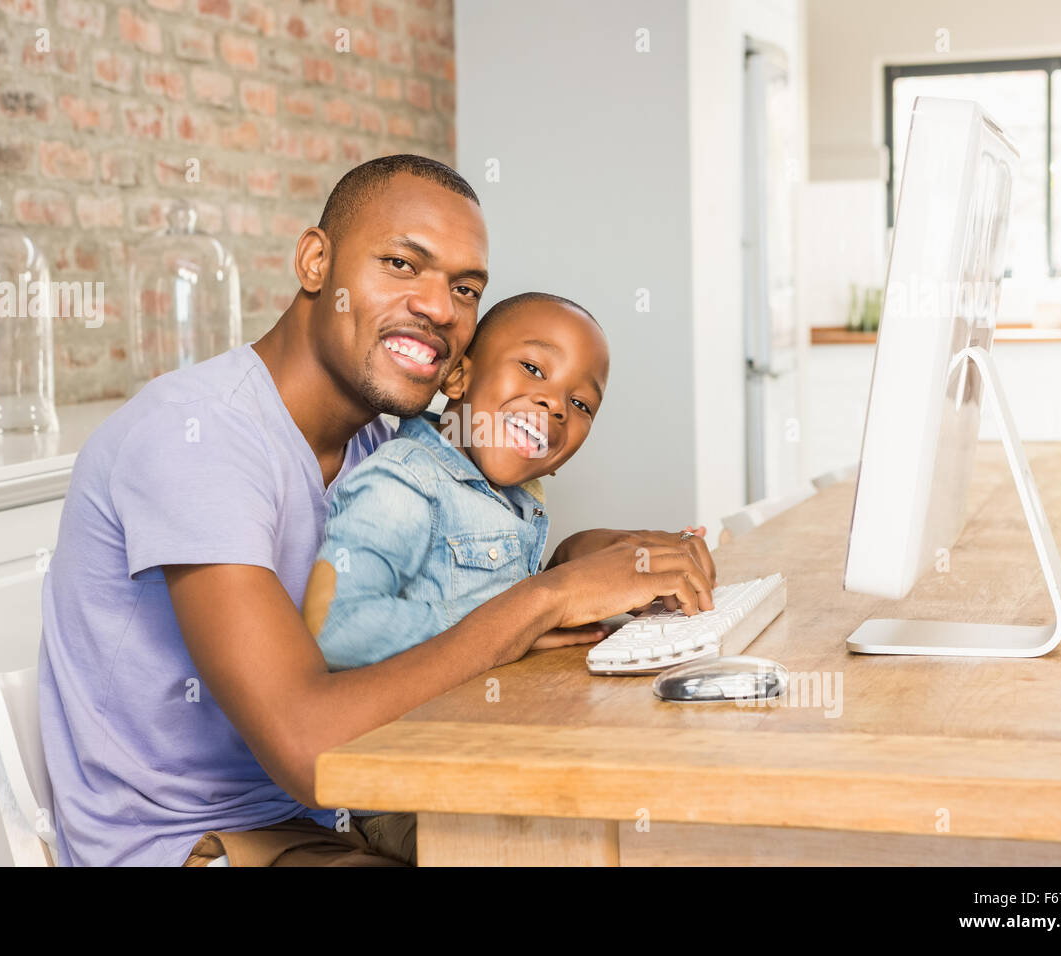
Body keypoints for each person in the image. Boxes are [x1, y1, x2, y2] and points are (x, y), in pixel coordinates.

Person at [38, 154, 717, 867]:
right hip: (201, 841)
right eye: (401, 264)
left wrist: (577, 563)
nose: (439, 306)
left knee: (616, 840)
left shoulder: (379, 443)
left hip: (344, 812)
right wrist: (547, 598)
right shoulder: (197, 439)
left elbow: (440, 618)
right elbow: (308, 749)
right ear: (314, 262)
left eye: (465, 287)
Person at [305, 292, 617, 671]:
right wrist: (516, 620)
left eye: (581, 403)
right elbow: (337, 630)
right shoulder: (405, 480)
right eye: (533, 369)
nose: (556, 405)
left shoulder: (515, 500)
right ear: (457, 378)